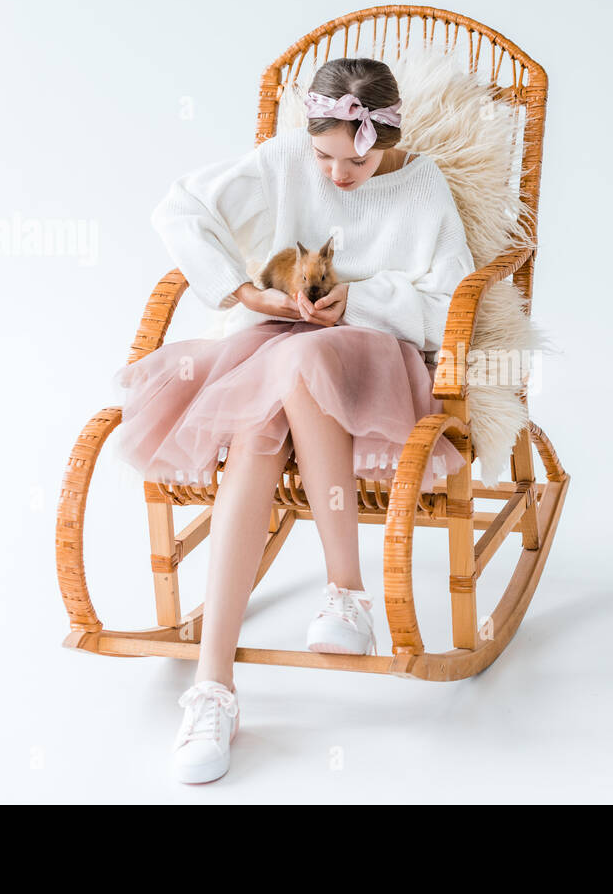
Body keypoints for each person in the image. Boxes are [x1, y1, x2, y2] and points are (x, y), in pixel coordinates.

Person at [108, 57, 476, 783]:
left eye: (358, 158)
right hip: (276, 347)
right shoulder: (283, 162)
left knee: (303, 366)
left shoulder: (423, 187)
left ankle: (341, 594)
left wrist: (358, 303)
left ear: (388, 137)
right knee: (257, 421)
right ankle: (214, 687)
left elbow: (452, 302)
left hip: (375, 359)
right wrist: (242, 289)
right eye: (325, 157)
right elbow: (178, 208)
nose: (338, 175)